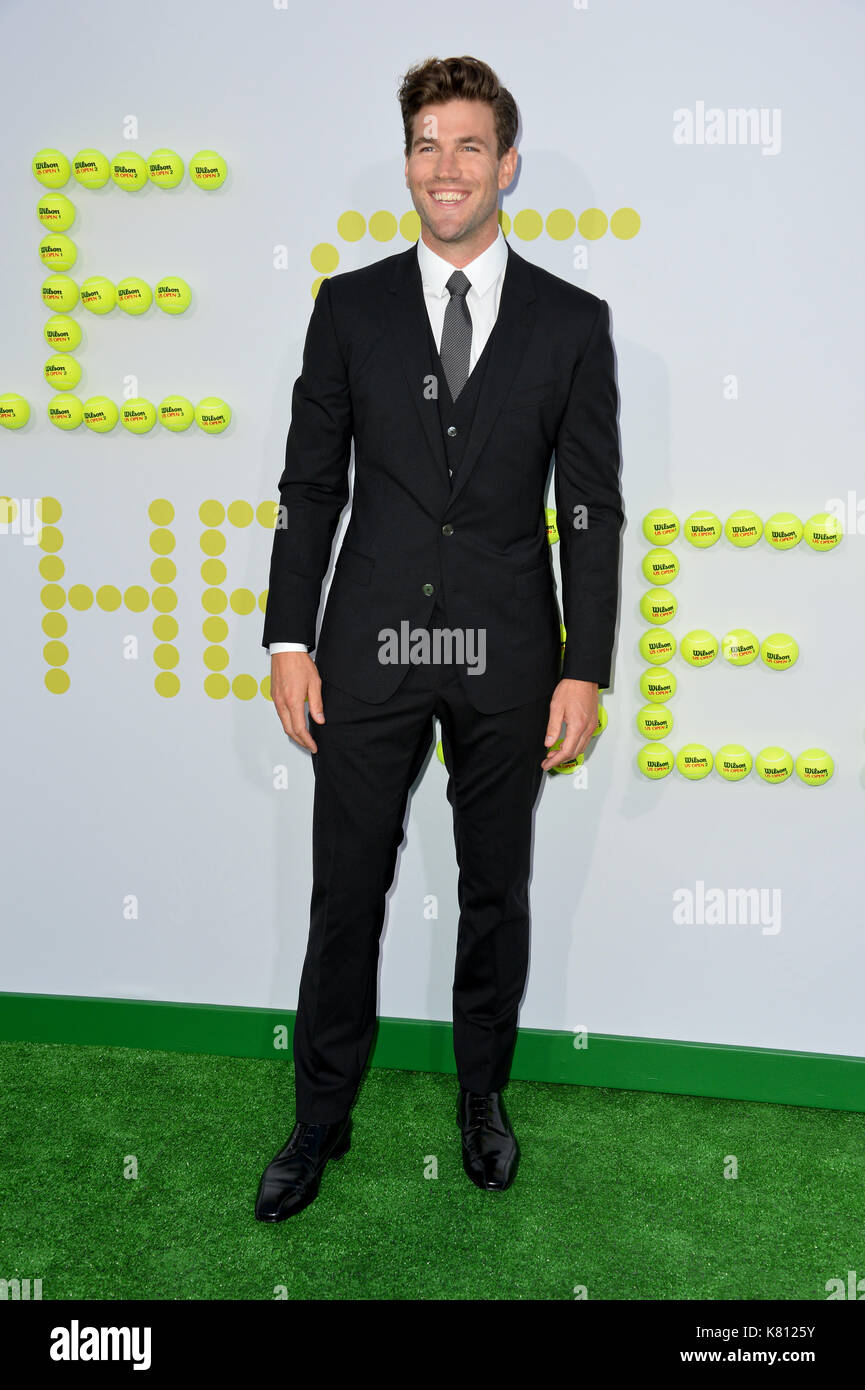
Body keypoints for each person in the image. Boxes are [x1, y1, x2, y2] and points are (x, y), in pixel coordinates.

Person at [255, 54, 623, 1221]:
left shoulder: (573, 321)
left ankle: (481, 1101)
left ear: (506, 165)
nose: (445, 166)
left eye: (468, 145)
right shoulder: (348, 305)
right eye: (426, 143)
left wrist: (583, 664)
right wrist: (286, 639)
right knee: (344, 892)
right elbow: (310, 488)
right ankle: (319, 1117)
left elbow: (590, 509)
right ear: (404, 162)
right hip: (363, 645)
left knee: (494, 892)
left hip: (510, 651)